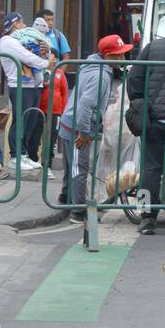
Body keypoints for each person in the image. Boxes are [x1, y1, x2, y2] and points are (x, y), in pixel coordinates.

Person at [127, 11, 165, 235]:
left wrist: (140, 102)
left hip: (155, 120)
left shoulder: (153, 47)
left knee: (150, 170)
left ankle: (147, 218)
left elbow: (134, 78)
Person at [57, 34, 131, 222]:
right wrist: (85, 132)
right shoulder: (101, 76)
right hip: (77, 126)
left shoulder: (92, 66)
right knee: (78, 168)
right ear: (108, 56)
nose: (123, 59)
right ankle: (78, 212)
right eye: (119, 55)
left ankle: (67, 199)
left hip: (70, 122)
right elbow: (85, 105)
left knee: (71, 166)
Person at [0, 11, 54, 168]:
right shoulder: (7, 40)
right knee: (21, 120)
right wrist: (46, 63)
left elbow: (43, 53)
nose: (25, 25)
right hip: (20, 84)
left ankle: (24, 153)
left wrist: (46, 50)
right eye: (22, 22)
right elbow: (27, 57)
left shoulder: (24, 39)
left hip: (34, 84)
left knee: (31, 120)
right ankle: (16, 156)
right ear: (15, 24)